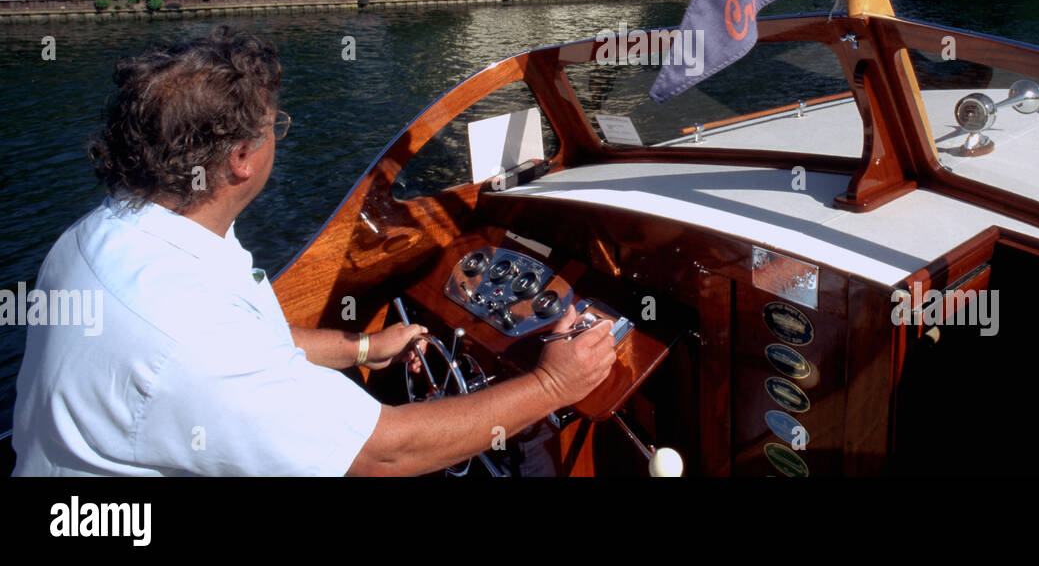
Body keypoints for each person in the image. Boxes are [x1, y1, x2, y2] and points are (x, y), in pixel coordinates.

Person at [13, 26, 615, 476]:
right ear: (240, 160)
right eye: (275, 125)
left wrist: (362, 346)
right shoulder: (187, 336)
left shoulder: (105, 234)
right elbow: (385, 451)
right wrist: (551, 388)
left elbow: (246, 335)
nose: (279, 135)